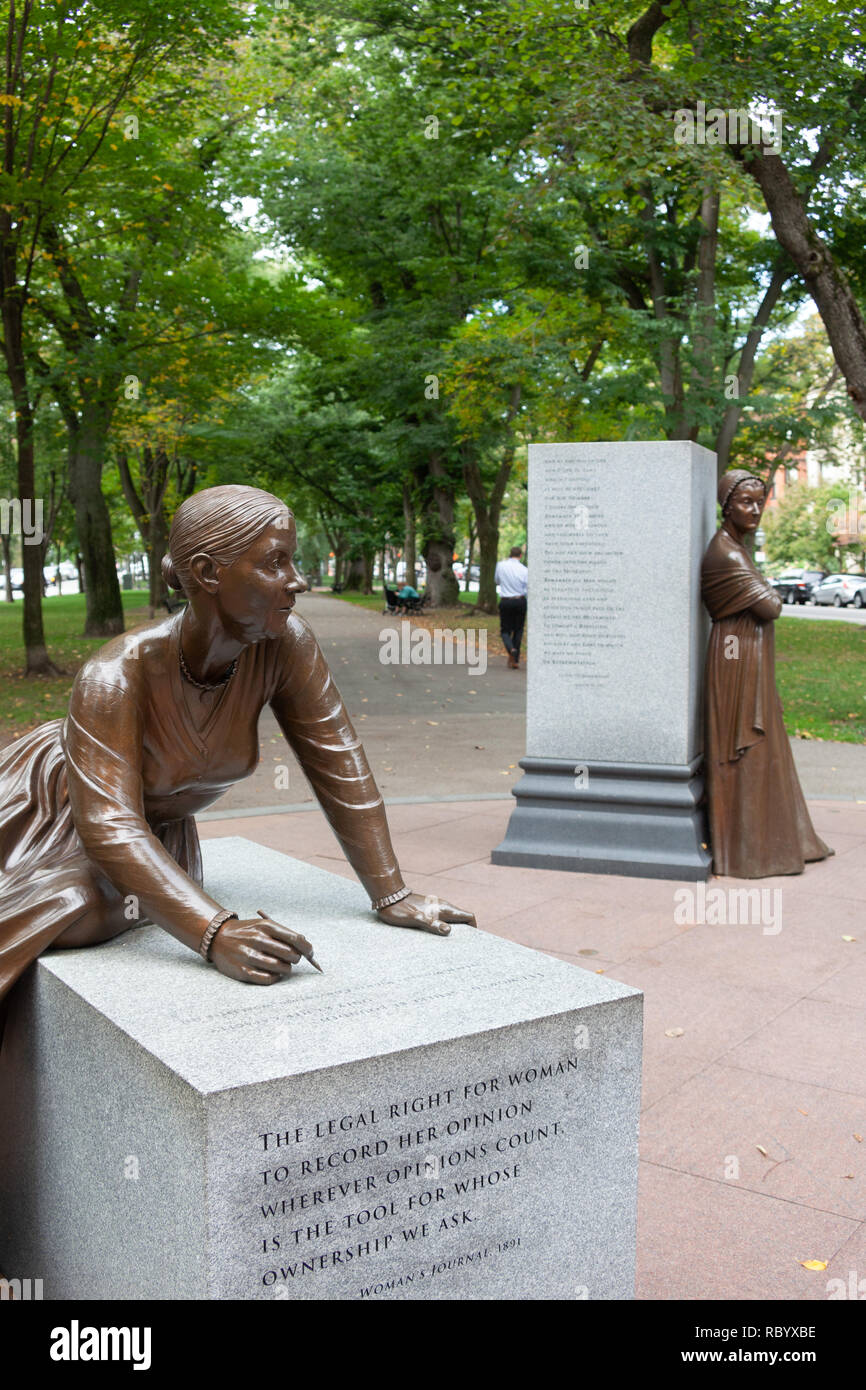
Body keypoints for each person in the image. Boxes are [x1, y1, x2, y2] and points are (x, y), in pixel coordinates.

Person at [0, 485, 476, 1009]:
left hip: (156, 833)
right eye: (276, 562)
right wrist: (215, 932)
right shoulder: (114, 676)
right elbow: (111, 826)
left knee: (129, 901)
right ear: (207, 574)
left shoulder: (285, 643)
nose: (297, 581)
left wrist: (392, 893)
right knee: (76, 906)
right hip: (50, 811)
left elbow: (340, 765)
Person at [700, 470, 832, 877]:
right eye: (745, 502)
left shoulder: (738, 547)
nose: (755, 509)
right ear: (726, 506)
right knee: (743, 750)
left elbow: (769, 601)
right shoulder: (727, 553)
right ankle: (746, 851)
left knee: (763, 748)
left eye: (760, 501)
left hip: (747, 655)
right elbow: (772, 606)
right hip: (735, 658)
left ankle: (768, 843)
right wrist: (766, 590)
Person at [495, 545, 528, 669]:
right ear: (520, 556)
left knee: (505, 630)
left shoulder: (500, 566)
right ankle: (515, 659)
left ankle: (511, 649)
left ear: (510, 554)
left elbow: (497, 580)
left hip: (506, 601)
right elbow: (526, 588)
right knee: (518, 630)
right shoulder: (524, 570)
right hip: (520, 601)